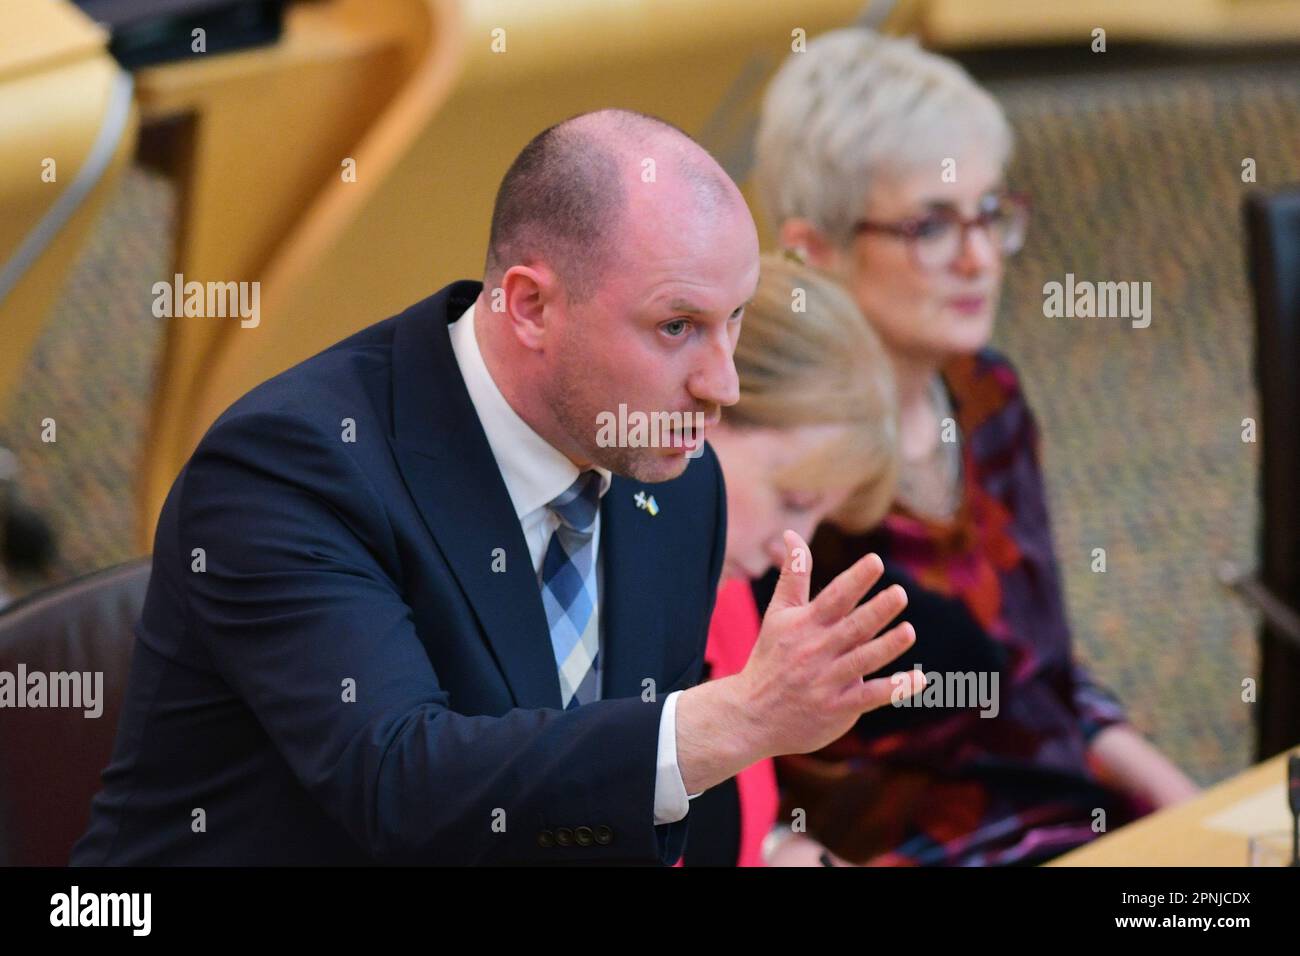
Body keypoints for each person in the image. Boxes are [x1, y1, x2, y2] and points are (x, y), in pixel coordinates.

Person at [71, 108, 923, 866]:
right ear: (530, 307)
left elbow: (597, 814)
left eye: (734, 322)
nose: (722, 384)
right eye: (678, 327)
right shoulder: (293, 466)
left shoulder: (676, 481)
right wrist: (736, 719)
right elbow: (400, 785)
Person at [752, 29, 1199, 865]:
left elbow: (1048, 682)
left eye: (990, 213)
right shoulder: (771, 466)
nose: (980, 257)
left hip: (1068, 821)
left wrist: (1197, 818)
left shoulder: (987, 394)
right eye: (930, 226)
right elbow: (729, 774)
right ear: (813, 250)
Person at [678, 253, 900, 866]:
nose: (791, 547)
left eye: (814, 517)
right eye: (793, 500)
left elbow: (726, 828)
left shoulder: (725, 590)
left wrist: (786, 852)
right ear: (702, 406)